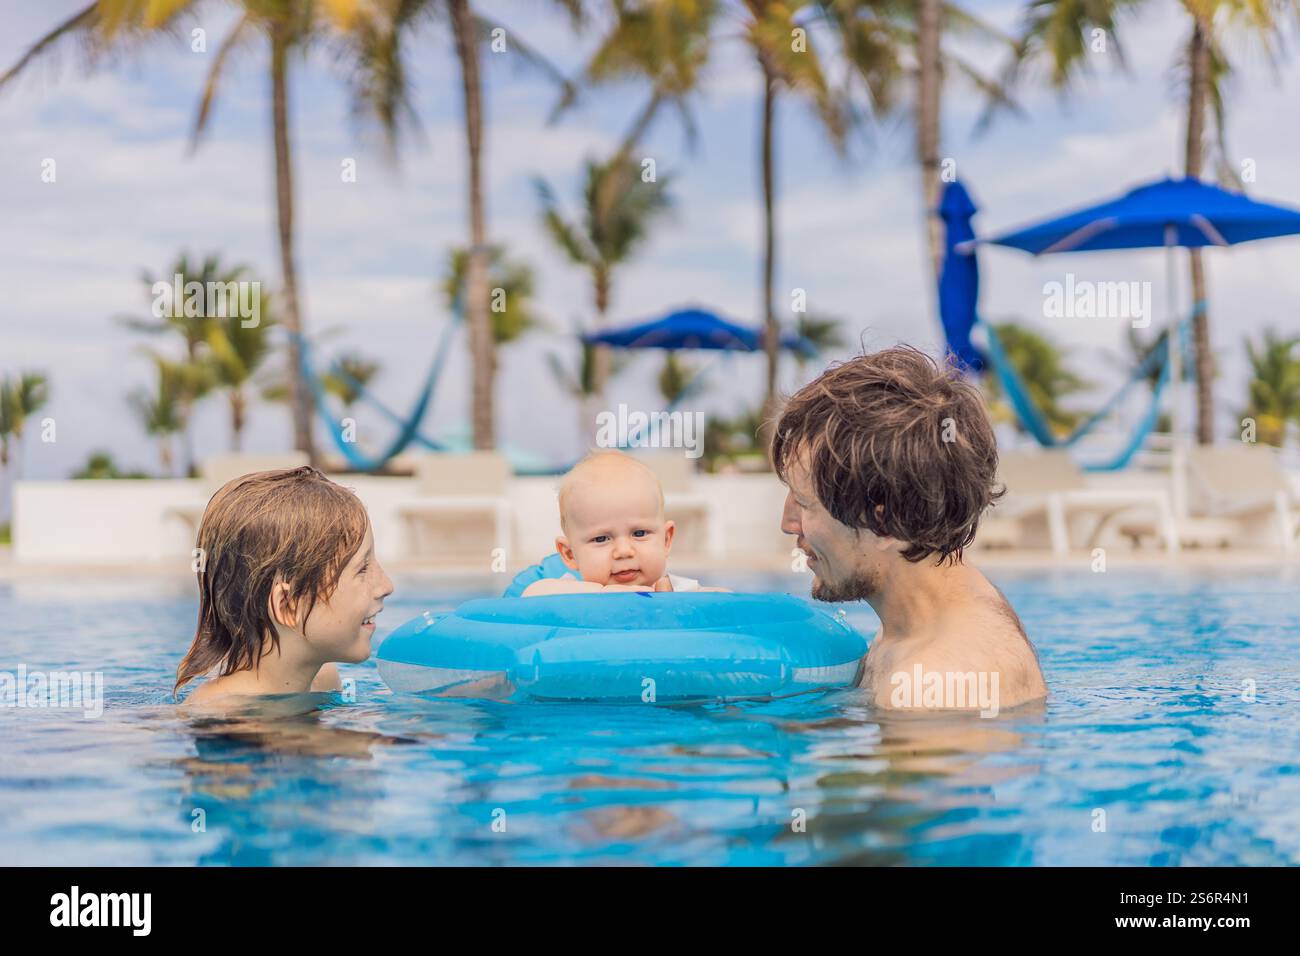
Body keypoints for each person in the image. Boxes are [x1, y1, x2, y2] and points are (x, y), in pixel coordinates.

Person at [772, 347, 1047, 713]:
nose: (787, 523)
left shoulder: (930, 689)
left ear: (882, 521)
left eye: (804, 503)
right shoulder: (929, 615)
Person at [174, 466, 393, 707]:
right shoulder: (221, 712)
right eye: (362, 569)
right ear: (288, 605)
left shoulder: (322, 679)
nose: (386, 586)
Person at [522, 450, 726, 596]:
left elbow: (726, 598)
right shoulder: (573, 592)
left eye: (639, 533)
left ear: (666, 540)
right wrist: (603, 592)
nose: (623, 551)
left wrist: (678, 600)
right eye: (601, 538)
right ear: (570, 554)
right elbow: (531, 594)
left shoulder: (675, 590)